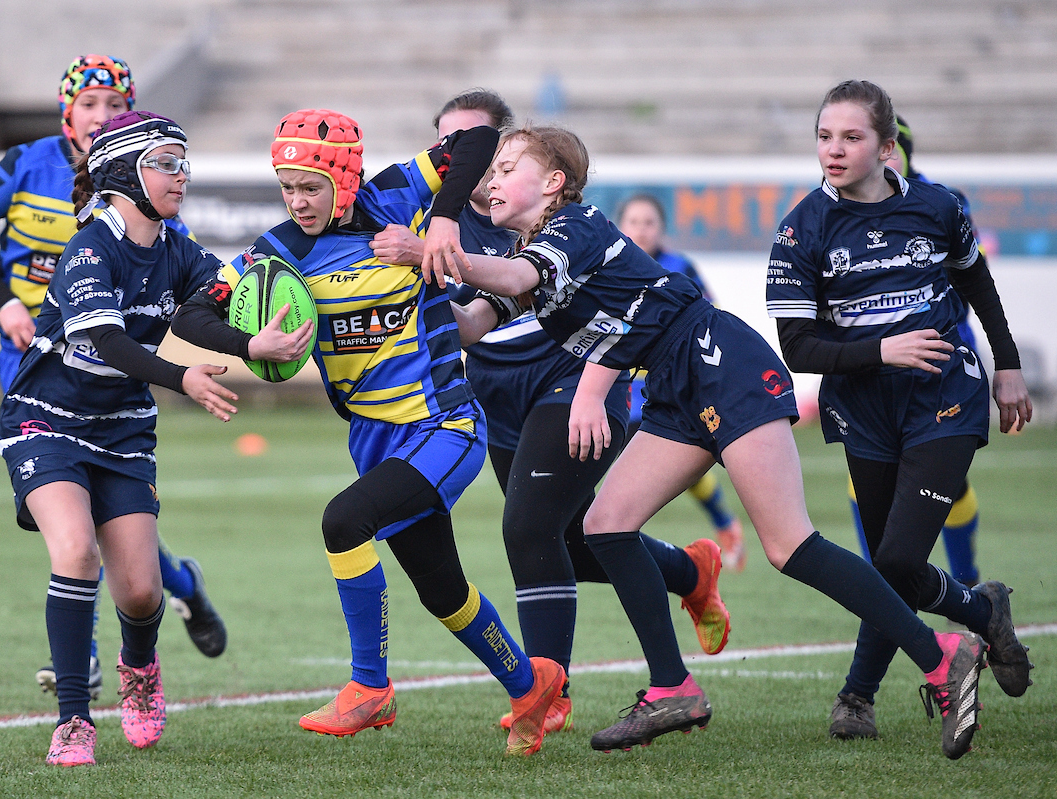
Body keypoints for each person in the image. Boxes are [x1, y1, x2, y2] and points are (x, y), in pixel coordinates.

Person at [434, 124, 994, 760]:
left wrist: (442, 248)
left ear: (554, 182)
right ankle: (672, 686)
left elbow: (510, 280)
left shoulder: (572, 228)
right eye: (493, 169)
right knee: (606, 524)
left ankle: (942, 656)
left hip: (717, 361)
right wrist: (407, 279)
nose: (492, 178)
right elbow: (472, 322)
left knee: (790, 546)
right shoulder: (531, 249)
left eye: (507, 167)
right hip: (675, 383)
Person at [171, 109, 565, 756]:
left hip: (445, 425)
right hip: (375, 439)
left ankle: (370, 686)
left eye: (311, 186)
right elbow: (193, 313)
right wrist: (250, 341)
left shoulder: (398, 194)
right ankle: (530, 686)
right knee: (443, 589)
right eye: (287, 187)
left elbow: (478, 139)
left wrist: (440, 221)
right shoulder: (278, 251)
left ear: (345, 180)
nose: (298, 201)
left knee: (343, 520)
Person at [368, 90, 730, 738]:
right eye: (445, 146)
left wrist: (428, 252)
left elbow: (521, 283)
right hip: (498, 392)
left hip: (574, 379)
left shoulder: (544, 219)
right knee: (567, 537)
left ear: (508, 151)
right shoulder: (465, 216)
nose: (461, 160)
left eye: (476, 147)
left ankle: (546, 691)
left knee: (530, 529)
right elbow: (472, 322)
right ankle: (689, 569)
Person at [0, 110, 312, 766]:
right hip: (44, 418)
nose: (181, 174)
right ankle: (74, 720)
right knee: (77, 551)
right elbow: (107, 342)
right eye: (165, 162)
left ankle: (140, 667)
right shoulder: (90, 247)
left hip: (123, 429)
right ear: (121, 174)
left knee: (139, 592)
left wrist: (254, 340)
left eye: (183, 162)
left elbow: (207, 306)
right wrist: (183, 379)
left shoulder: (180, 248)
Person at [0, 55, 228, 701]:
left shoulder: (150, 206)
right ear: (66, 111)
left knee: (111, 530)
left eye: (113, 106)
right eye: (89, 104)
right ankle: (90, 659)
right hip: (38, 362)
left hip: (117, 372)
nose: (99, 116)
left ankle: (167, 594)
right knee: (72, 528)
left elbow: (191, 291)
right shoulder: (22, 164)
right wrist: (3, 302)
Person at [765, 80, 1034, 741]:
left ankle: (857, 695)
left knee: (891, 562)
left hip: (945, 395)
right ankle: (982, 608)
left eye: (851, 137)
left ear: (887, 148)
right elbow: (797, 346)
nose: (834, 149)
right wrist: (883, 349)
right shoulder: (802, 227)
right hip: (863, 408)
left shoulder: (940, 206)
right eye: (824, 136)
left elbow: (976, 281)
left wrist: (1007, 365)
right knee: (892, 564)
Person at [845, 115, 983, 588]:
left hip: (939, 367)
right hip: (872, 373)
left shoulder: (943, 203)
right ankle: (883, 589)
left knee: (949, 485)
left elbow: (971, 278)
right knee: (866, 478)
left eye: (886, 146)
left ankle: (966, 578)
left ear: (901, 150)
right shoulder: (835, 206)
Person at [615, 194, 748, 571]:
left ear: (662, 229)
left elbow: (711, 318)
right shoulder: (606, 267)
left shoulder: (679, 267)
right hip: (616, 389)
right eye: (634, 221)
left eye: (649, 222)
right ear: (619, 227)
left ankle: (718, 528)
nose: (641, 229)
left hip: (664, 390)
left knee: (673, 468)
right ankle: (720, 527)